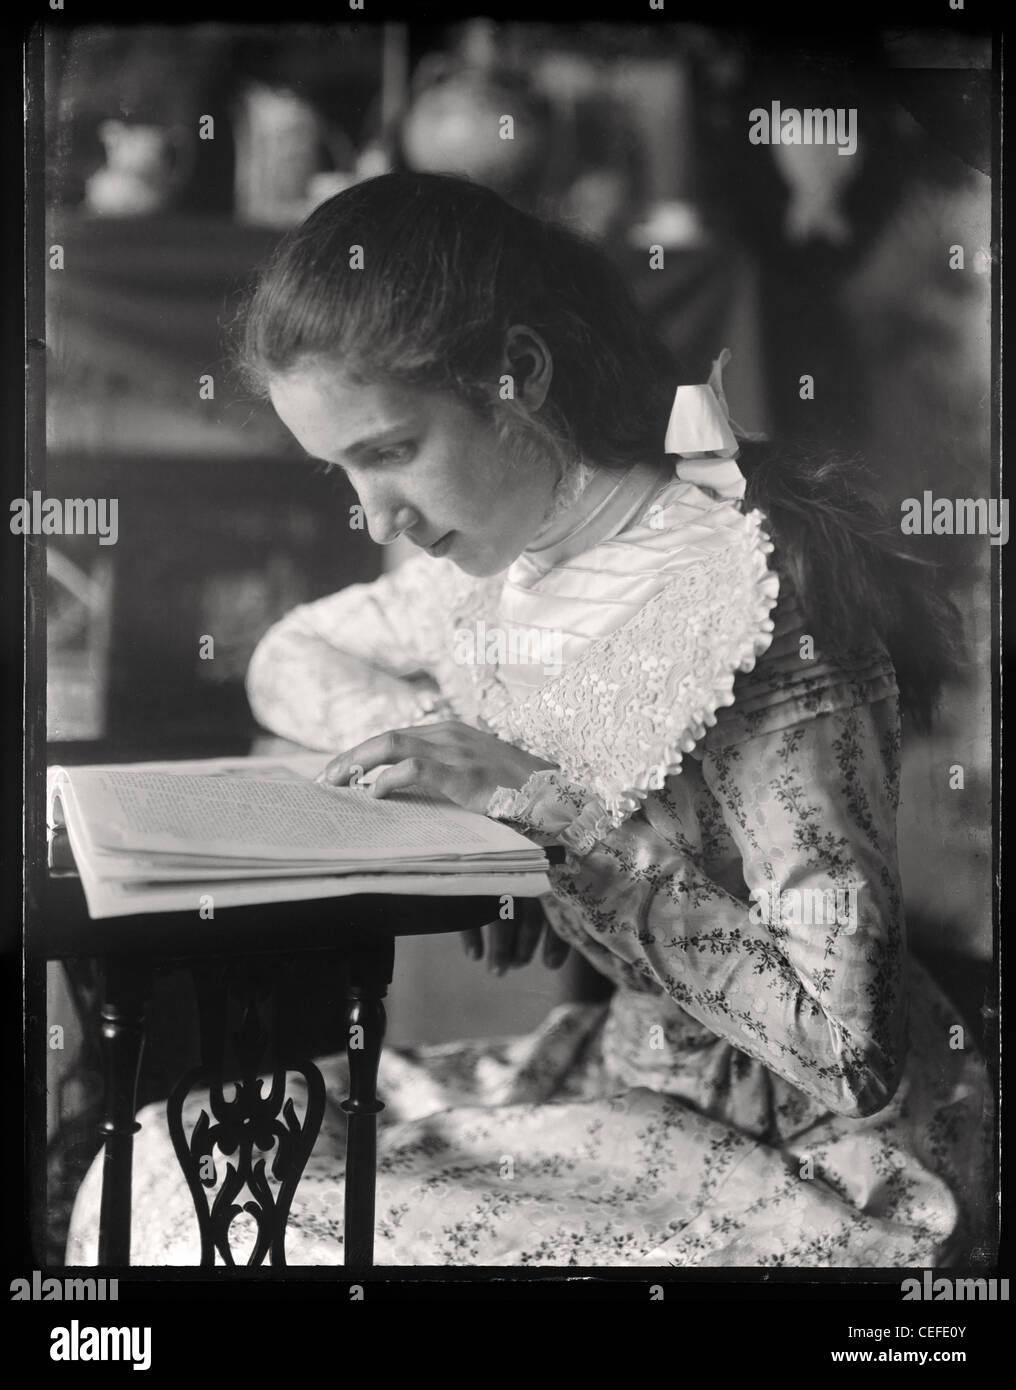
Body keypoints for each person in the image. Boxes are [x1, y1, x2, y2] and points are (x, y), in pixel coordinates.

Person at [67, 171, 992, 1267]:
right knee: (164, 1162)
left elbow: (851, 1052)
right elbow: (290, 657)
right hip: (637, 1075)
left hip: (827, 1160)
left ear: (517, 374)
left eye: (391, 451)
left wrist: (537, 813)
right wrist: (467, 806)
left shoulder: (741, 596)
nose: (380, 519)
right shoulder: (504, 568)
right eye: (341, 473)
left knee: (250, 1233)